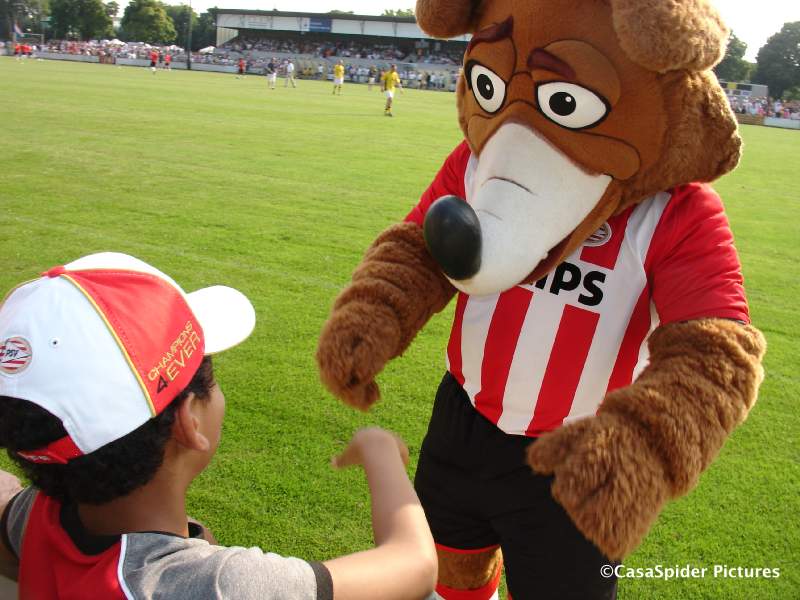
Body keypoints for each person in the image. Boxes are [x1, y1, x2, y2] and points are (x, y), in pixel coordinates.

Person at [0, 253, 437, 599]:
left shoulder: (36, 518)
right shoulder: (219, 585)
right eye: (209, 373)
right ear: (189, 422)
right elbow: (413, 565)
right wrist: (380, 451)